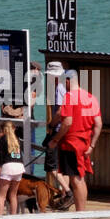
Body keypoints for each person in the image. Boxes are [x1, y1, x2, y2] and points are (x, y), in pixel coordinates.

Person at [47, 69, 102, 219]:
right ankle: (80, 216)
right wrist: (92, 144)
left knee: (76, 180)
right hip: (84, 144)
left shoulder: (70, 97)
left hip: (71, 143)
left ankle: (80, 218)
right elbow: (98, 124)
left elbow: (67, 122)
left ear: (69, 80)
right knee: (80, 178)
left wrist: (55, 140)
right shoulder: (90, 97)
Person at [42, 61, 71, 203]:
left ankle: (67, 191)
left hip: (58, 130)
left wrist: (51, 124)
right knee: (63, 166)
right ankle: (65, 193)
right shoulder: (65, 87)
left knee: (51, 165)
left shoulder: (59, 88)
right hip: (66, 131)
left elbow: (60, 112)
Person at [0, 119, 24, 219]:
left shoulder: (2, 139)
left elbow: (0, 157)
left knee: (2, 196)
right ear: (13, 128)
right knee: (13, 195)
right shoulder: (17, 139)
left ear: (4, 129)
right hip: (19, 167)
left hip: (7, 166)